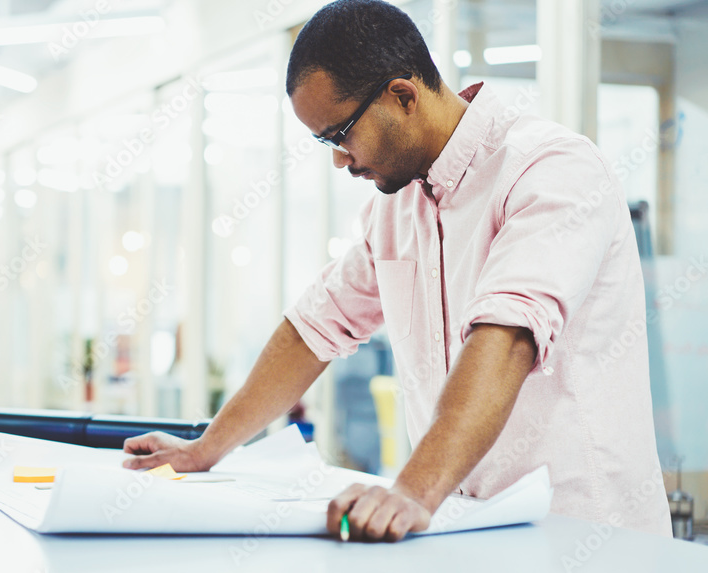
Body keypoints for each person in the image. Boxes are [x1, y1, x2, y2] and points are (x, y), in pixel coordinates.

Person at [121, 0, 671, 541]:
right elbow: (315, 327)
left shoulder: (551, 171)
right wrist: (204, 449)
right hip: (463, 530)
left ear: (402, 95)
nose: (338, 159)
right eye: (323, 143)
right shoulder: (398, 207)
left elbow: (506, 339)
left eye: (340, 135)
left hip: (585, 536)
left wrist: (410, 490)